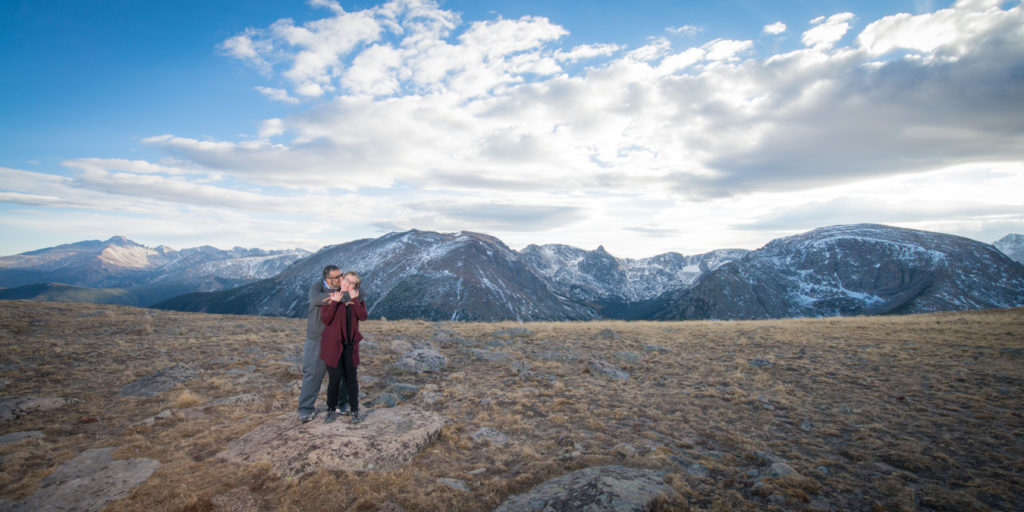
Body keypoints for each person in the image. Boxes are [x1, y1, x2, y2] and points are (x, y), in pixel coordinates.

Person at [297, 265, 349, 423]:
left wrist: (339, 296)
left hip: (337, 338)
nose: (341, 279)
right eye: (337, 277)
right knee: (313, 373)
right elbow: (316, 298)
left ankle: (342, 404)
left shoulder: (342, 287)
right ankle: (305, 409)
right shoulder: (316, 287)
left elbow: (358, 295)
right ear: (327, 279)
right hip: (317, 338)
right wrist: (338, 296)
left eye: (342, 275)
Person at [321, 271, 368, 424]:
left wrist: (354, 300)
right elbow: (326, 319)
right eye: (346, 280)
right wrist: (334, 303)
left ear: (356, 286)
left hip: (350, 345)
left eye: (352, 282)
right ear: (341, 280)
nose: (347, 283)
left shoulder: (357, 299)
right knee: (334, 379)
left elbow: (362, 317)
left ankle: (355, 410)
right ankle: (330, 409)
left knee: (351, 379)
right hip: (333, 345)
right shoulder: (331, 296)